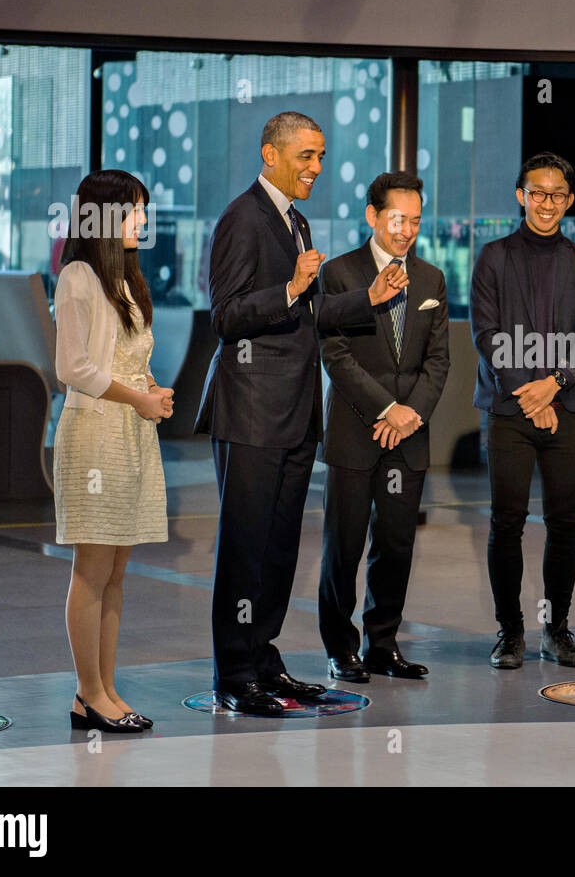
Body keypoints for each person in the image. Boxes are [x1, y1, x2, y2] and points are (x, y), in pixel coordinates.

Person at [194, 112, 408, 715]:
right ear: (271, 154)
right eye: (307, 156)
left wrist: (366, 299)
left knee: (280, 548)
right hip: (251, 411)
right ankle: (233, 675)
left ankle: (263, 660)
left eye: (321, 156)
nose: (318, 167)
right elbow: (227, 316)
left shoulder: (295, 218)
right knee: (245, 547)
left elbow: (310, 315)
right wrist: (288, 289)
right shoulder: (243, 217)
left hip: (291, 412)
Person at [470, 152, 575, 669]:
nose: (547, 203)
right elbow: (486, 334)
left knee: (565, 524)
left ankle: (558, 630)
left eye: (557, 195)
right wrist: (529, 393)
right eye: (537, 192)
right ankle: (509, 633)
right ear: (521, 195)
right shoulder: (494, 257)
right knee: (507, 522)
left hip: (565, 406)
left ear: (568, 201)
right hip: (508, 409)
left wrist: (551, 386)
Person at [317, 171, 450, 683]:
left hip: (408, 434)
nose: (407, 230)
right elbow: (336, 354)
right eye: (398, 219)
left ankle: (382, 644)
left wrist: (410, 413)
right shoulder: (338, 274)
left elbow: (439, 362)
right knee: (343, 545)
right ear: (373, 215)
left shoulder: (432, 279)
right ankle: (339, 647)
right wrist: (385, 409)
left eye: (416, 221)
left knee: (396, 544)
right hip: (356, 430)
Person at [54, 169, 173, 734]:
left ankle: (105, 689)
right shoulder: (78, 276)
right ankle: (88, 694)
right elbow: (72, 368)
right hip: (96, 432)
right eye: (133, 211)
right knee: (92, 569)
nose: (142, 221)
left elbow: (127, 356)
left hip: (129, 429)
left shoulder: (123, 277)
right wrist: (138, 397)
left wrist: (152, 393)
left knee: (116, 572)